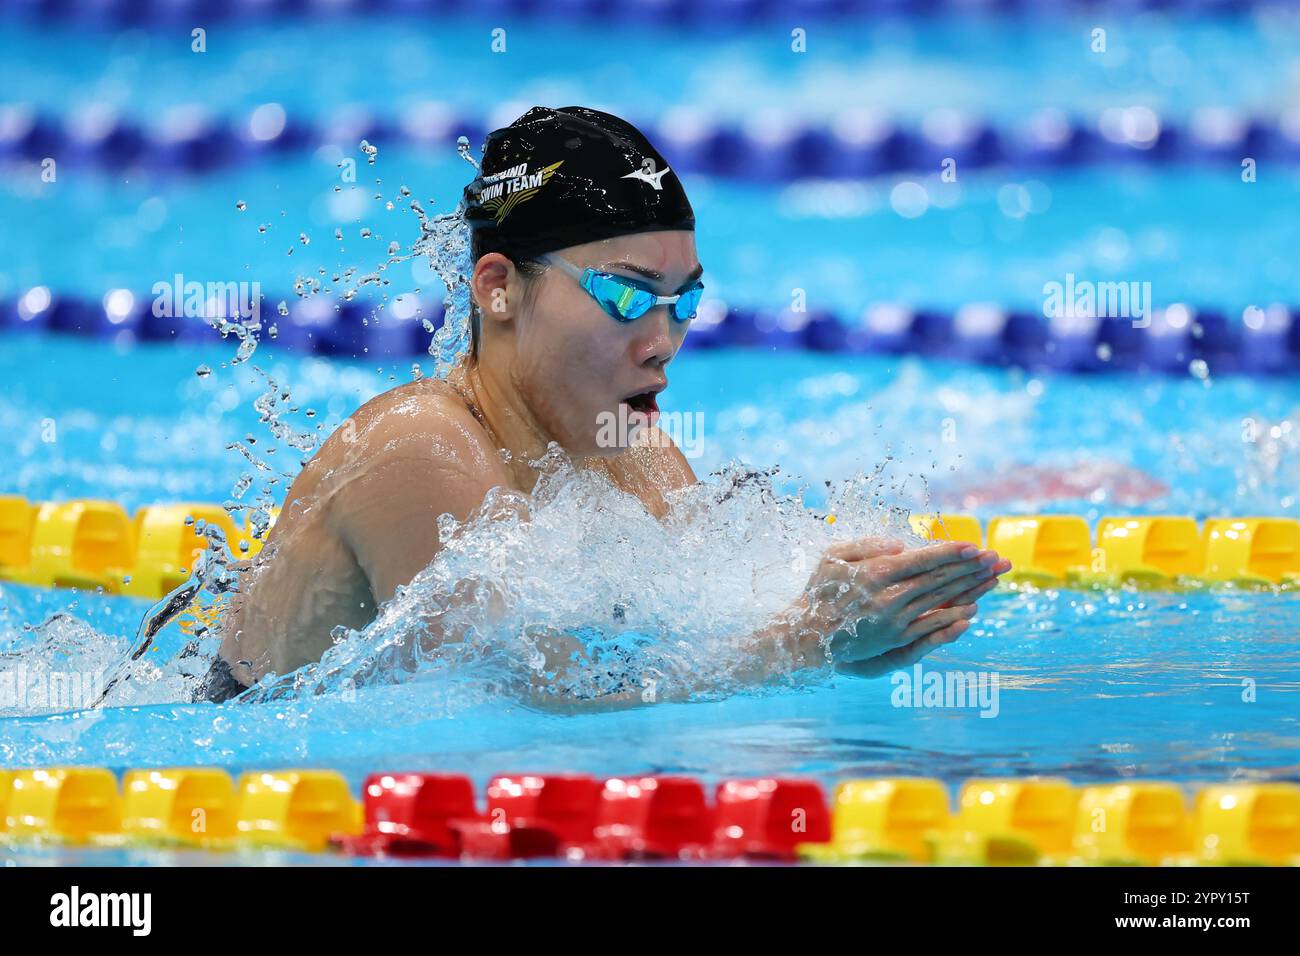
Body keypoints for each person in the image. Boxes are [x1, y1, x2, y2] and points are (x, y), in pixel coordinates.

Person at [197, 106, 1012, 706]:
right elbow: (505, 711)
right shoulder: (420, 448)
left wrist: (852, 625)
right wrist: (802, 643)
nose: (663, 340)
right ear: (500, 287)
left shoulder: (636, 448)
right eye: (628, 296)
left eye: (685, 303)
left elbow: (695, 642)